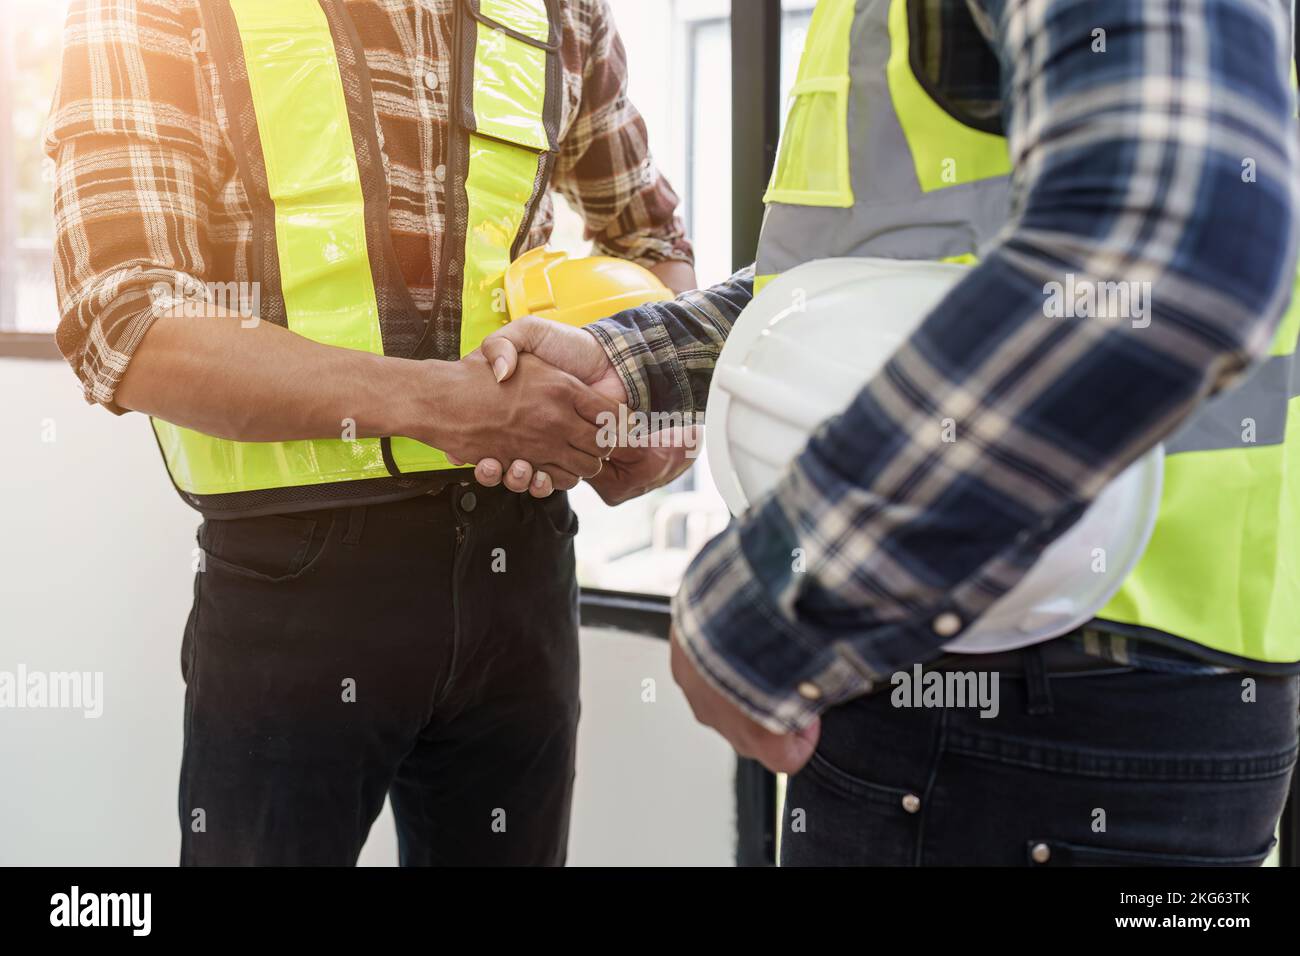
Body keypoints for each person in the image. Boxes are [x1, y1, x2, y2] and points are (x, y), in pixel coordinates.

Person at [478, 0, 1300, 865]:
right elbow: (915, 272)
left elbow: (1165, 238)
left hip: (1034, 699)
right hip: (1034, 687)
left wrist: (780, 589)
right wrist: (642, 362)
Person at [46, 0, 696, 866]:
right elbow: (125, 322)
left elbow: (653, 239)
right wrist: (450, 406)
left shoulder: (563, 8)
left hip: (522, 560)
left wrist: (661, 408)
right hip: (294, 582)